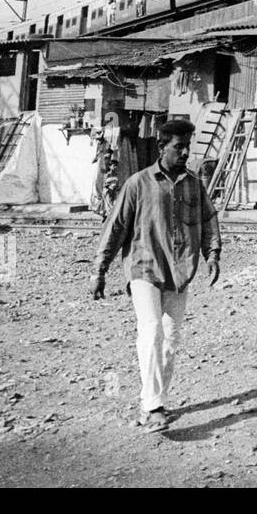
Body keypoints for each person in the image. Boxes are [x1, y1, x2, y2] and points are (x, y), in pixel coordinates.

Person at [92, 119, 221, 433]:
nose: (185, 152)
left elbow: (208, 218)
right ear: (162, 147)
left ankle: (152, 400)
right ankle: (154, 409)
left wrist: (213, 253)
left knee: (170, 342)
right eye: (178, 146)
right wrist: (100, 268)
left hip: (179, 271)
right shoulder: (138, 183)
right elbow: (116, 227)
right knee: (151, 332)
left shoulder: (193, 184)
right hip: (144, 267)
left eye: (187, 146)